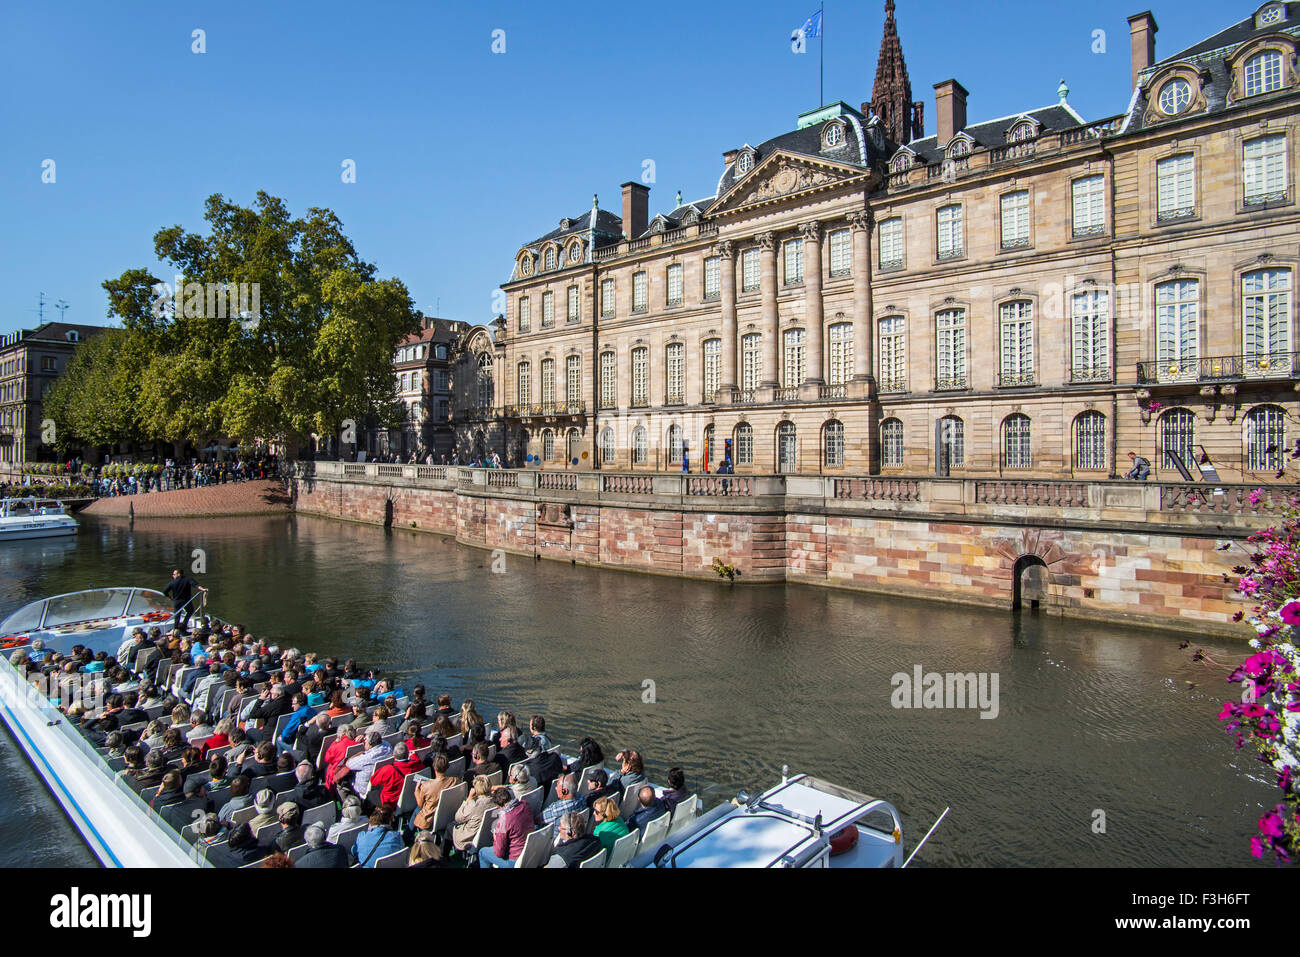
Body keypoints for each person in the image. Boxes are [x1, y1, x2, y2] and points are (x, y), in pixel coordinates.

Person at [477, 787, 531, 868]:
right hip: (529, 853)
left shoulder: (504, 820)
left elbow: (499, 853)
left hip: (514, 860)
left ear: (498, 806)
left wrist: (496, 838)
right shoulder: (525, 804)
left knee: (482, 852)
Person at [412, 753, 458, 830]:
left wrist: (417, 791)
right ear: (447, 767)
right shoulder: (454, 781)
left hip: (430, 819)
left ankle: (408, 835)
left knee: (417, 809)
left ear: (434, 767)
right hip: (446, 815)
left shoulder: (426, 786)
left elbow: (420, 804)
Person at [450, 775, 494, 853]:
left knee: (450, 826)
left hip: (470, 836)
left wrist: (469, 798)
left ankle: (444, 855)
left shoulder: (475, 805)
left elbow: (458, 818)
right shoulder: (495, 800)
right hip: (487, 835)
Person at [163, 569, 207, 634]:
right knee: (190, 611)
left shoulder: (172, 583)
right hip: (186, 601)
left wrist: (170, 597)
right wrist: (203, 589)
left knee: (177, 616)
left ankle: (176, 631)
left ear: (179, 574)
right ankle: (183, 626)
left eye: (174, 574)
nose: (173, 576)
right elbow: (196, 585)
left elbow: (164, 591)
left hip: (176, 601)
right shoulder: (188, 579)